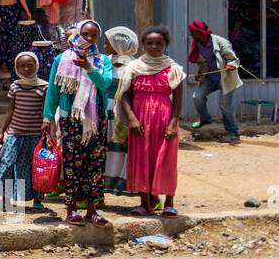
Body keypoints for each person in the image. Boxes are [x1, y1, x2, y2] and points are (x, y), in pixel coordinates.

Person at [42, 19, 114, 226]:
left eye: (94, 35)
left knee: (95, 164)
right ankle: (71, 207)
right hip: (70, 120)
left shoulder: (102, 61)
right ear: (77, 34)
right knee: (73, 163)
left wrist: (90, 68)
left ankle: (92, 209)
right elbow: (53, 91)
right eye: (86, 34)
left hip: (95, 120)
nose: (89, 38)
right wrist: (48, 118)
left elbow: (105, 84)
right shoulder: (62, 59)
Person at [117, 25, 186, 218]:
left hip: (165, 120)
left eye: (159, 43)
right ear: (143, 45)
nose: (154, 46)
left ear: (166, 45)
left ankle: (169, 203)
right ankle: (144, 204)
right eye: (150, 43)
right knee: (141, 159)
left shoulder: (174, 69)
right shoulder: (133, 67)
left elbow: (179, 101)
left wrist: (173, 124)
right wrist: (131, 118)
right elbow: (124, 95)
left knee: (166, 160)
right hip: (139, 121)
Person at [0, 51, 49, 212]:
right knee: (6, 164)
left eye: (30, 65)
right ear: (17, 67)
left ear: (36, 66)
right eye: (22, 66)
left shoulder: (44, 86)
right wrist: (2, 132)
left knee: (36, 166)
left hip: (35, 135)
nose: (26, 69)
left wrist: (50, 130)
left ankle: (37, 201)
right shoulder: (15, 86)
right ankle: (3, 200)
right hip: (15, 133)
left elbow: (46, 112)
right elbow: (10, 110)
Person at [187, 20, 241, 141]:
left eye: (192, 32)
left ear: (199, 32)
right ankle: (205, 119)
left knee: (225, 106)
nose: (190, 34)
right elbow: (204, 63)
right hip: (210, 78)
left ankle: (233, 132)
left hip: (226, 78)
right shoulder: (197, 44)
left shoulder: (221, 42)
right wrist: (200, 74)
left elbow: (233, 59)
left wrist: (231, 64)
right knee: (197, 97)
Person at [102, 25, 139, 196]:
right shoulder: (105, 62)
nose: (105, 46)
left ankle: (121, 182)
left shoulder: (133, 67)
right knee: (105, 148)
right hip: (104, 111)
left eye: (108, 43)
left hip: (120, 113)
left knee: (121, 148)